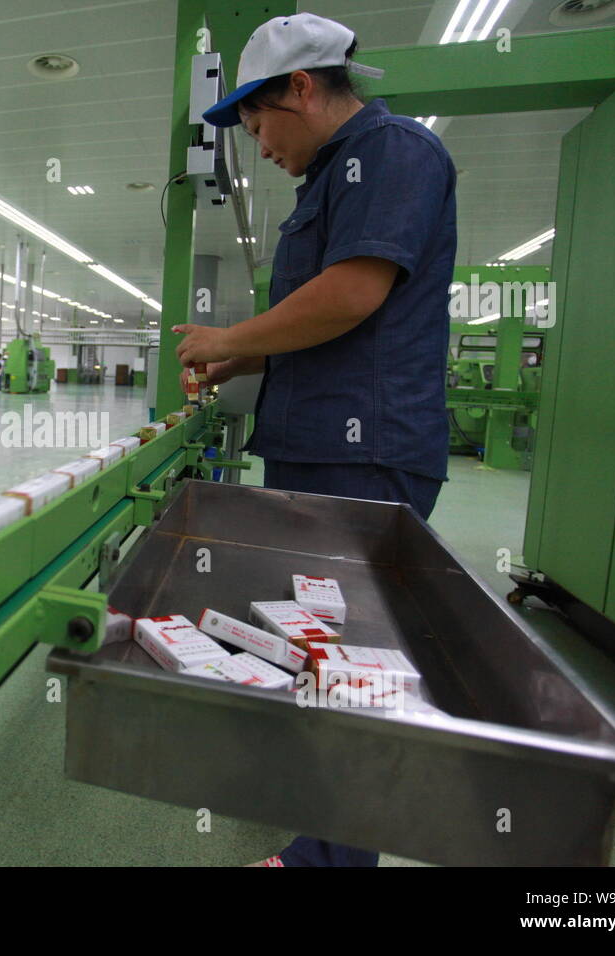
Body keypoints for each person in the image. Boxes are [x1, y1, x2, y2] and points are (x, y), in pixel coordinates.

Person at [172, 13, 456, 868]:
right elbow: (317, 324)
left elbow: (352, 295)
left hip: (361, 457)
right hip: (318, 452)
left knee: (351, 668)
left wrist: (226, 339)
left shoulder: (396, 153)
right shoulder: (330, 181)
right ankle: (317, 829)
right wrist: (245, 358)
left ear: (301, 87)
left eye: (258, 124)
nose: (258, 146)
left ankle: (328, 862)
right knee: (316, 652)